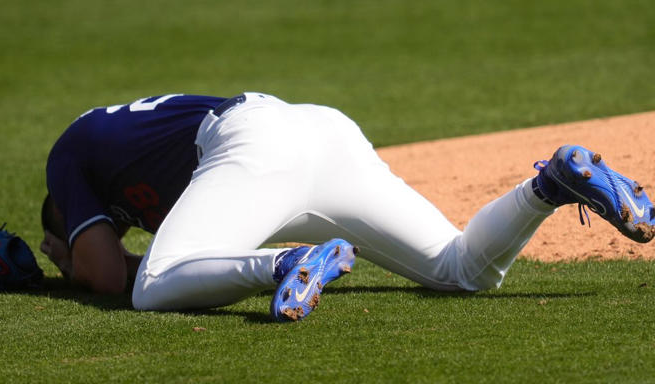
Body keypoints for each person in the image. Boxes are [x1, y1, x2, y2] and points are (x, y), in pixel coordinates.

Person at [39, 92, 655, 322]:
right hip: (320, 130)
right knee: (461, 268)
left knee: (152, 287)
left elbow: (107, 274)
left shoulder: (69, 153)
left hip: (253, 145)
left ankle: (284, 266)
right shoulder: (121, 150)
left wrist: (62, 255)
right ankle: (549, 185)